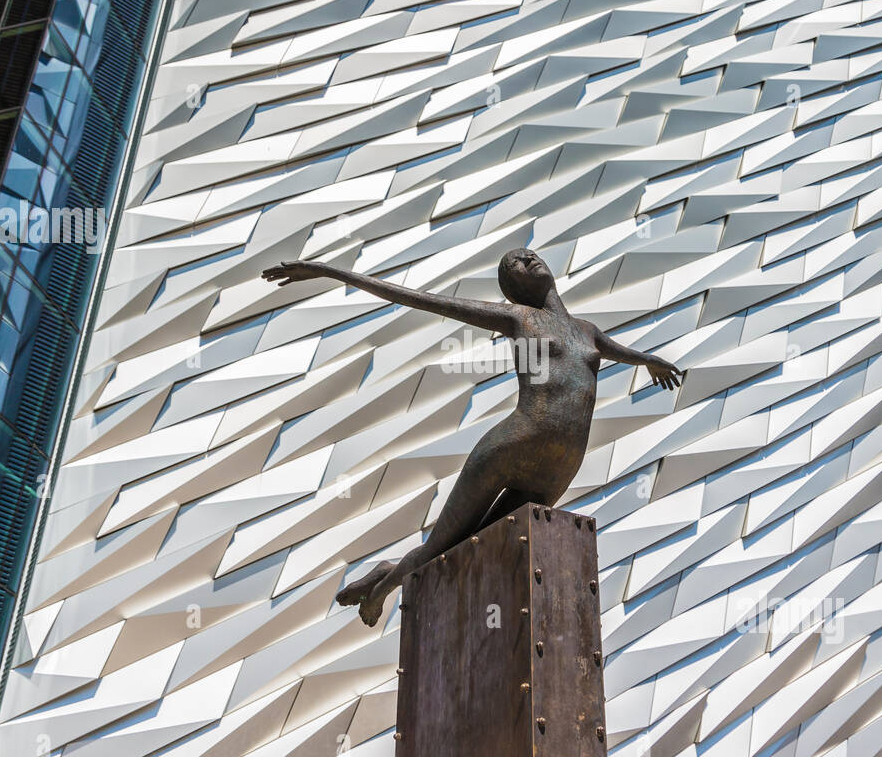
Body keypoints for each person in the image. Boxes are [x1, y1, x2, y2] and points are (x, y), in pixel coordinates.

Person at [261, 248, 682, 625]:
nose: (526, 261)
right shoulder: (518, 317)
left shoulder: (587, 330)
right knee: (446, 543)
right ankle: (384, 586)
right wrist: (332, 273)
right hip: (515, 442)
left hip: (561, 463)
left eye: (528, 255)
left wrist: (649, 360)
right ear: (513, 289)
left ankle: (392, 572)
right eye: (514, 264)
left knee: (480, 547)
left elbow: (621, 352)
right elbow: (418, 299)